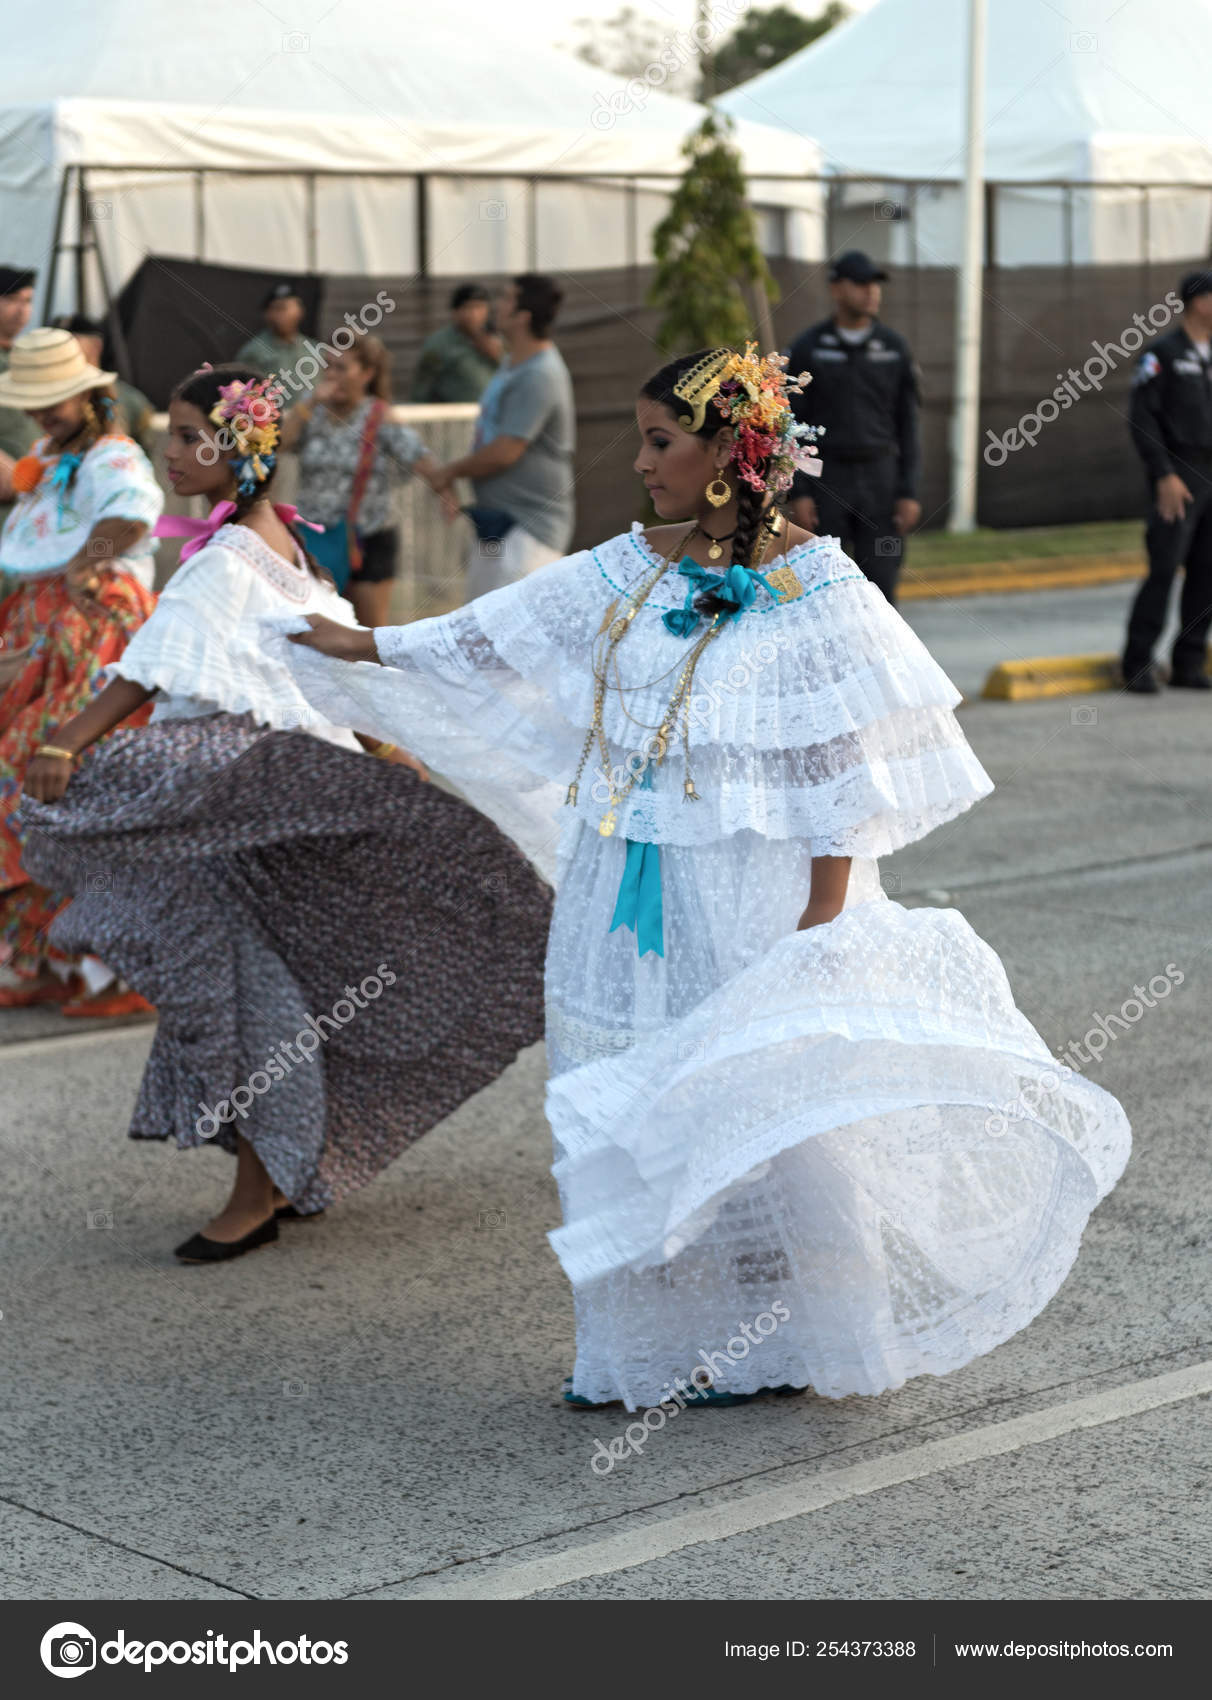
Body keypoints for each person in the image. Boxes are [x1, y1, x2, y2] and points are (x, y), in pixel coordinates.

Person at [273, 343, 1131, 1412]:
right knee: (625, 1098)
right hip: (618, 894)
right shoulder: (628, 563)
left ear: (732, 451)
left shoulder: (818, 584)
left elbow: (838, 759)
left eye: (661, 440)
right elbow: (488, 639)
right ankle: (649, 1348)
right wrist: (357, 645)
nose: (641, 461)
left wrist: (825, 920)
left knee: (755, 1104)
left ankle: (783, 1335)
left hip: (749, 893)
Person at [19, 363, 551, 1264]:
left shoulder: (230, 560)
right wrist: (381, 751)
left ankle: (258, 1188)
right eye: (175, 435)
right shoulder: (288, 552)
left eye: (195, 436)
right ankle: (280, 1168)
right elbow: (312, 666)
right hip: (260, 809)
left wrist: (66, 744)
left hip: (236, 805)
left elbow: (152, 668)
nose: (176, 452)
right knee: (260, 987)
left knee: (235, 989)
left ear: (243, 449)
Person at [0, 327, 161, 1015]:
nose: (44, 412)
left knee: (55, 778)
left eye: (54, 400)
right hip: (40, 622)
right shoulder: (48, 454)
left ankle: (120, 971)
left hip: (88, 625)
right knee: (30, 786)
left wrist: (87, 561)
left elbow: (130, 518)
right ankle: (43, 960)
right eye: (35, 402)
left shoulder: (111, 454)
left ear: (86, 392)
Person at [279, 337, 456, 629]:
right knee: (317, 630)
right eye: (328, 367)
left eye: (342, 368)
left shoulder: (378, 415)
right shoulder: (312, 412)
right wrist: (310, 402)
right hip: (315, 542)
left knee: (367, 633)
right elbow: (279, 445)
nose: (332, 375)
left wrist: (446, 491)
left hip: (366, 540)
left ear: (366, 374)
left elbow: (417, 455)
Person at [786, 249, 921, 605]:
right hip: (826, 477)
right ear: (836, 289)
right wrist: (799, 491)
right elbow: (792, 426)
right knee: (822, 587)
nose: (871, 292)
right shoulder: (808, 348)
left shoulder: (894, 348)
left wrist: (908, 491)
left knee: (880, 587)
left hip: (881, 478)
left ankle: (878, 659)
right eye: (861, 283)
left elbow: (908, 423)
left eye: (875, 284)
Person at [430, 273, 576, 600]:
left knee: (512, 638)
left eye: (507, 298)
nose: (497, 306)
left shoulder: (541, 373)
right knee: (478, 627)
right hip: (499, 526)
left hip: (530, 531)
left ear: (523, 316)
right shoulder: (511, 361)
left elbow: (506, 451)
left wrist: (449, 472)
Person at [1121, 270, 1212, 694]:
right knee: (1163, 567)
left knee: (1207, 572)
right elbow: (1142, 418)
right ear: (1200, 302)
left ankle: (1189, 661)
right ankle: (1138, 663)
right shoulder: (1163, 354)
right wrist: (1163, 473)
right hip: (1181, 469)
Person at [54, 315, 157, 461]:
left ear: (96, 345)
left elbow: (146, 456)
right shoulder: (50, 398)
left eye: (71, 343)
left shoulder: (131, 400)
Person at [410, 283, 503, 404]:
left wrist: (498, 355)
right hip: (455, 415)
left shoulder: (498, 339)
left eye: (479, 307)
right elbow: (422, 388)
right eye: (468, 308)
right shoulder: (439, 344)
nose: (474, 314)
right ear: (455, 312)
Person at [236, 281, 319, 405]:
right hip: (275, 421)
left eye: (284, 308)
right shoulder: (254, 352)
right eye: (275, 309)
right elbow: (243, 394)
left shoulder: (315, 349)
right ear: (267, 314)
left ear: (300, 311)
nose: (280, 315)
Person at [0, 265, 39, 522]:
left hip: (31, 508)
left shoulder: (26, 359)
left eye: (28, 301)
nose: (22, 310)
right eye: (12, 299)